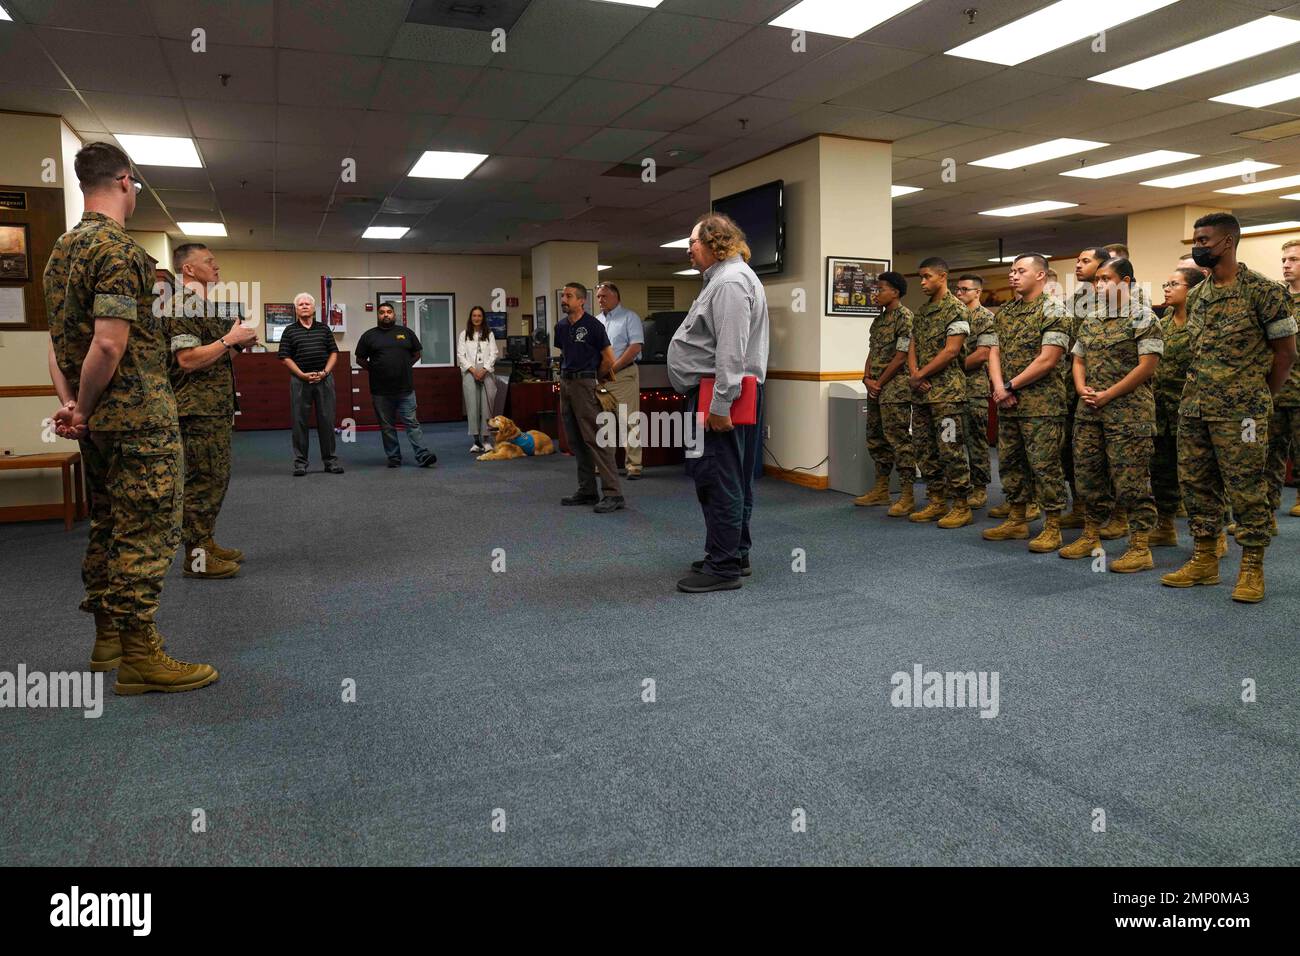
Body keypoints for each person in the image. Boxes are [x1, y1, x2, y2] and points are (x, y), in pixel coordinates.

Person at [44, 141, 217, 694]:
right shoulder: (118, 252)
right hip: (138, 420)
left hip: (95, 425)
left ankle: (108, 638)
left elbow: (56, 345)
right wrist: (87, 408)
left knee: (108, 524)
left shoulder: (59, 254)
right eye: (136, 184)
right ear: (124, 181)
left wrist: (73, 407)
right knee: (148, 530)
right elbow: (109, 345)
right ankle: (141, 656)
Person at [1161, 213, 1297, 602]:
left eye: (1203, 239)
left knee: (1247, 487)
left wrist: (1258, 397)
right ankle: (1205, 559)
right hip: (1196, 410)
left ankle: (1251, 566)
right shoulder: (1200, 294)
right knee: (1197, 485)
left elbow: (1285, 355)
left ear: (1227, 242)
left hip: (1244, 415)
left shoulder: (1264, 292)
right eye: (1195, 239)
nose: (1197, 246)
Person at [669, 212, 770, 593]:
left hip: (719, 396)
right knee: (729, 477)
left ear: (714, 242)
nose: (689, 252)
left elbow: (731, 352)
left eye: (692, 244)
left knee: (718, 479)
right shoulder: (728, 278)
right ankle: (731, 551)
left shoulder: (730, 282)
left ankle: (723, 567)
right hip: (719, 394)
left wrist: (720, 406)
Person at [1058, 258, 1162, 571]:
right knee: (1088, 476)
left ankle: (1140, 546)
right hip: (1090, 411)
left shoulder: (1144, 317)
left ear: (1126, 281)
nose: (1100, 286)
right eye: (1097, 280)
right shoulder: (1091, 319)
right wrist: (1080, 388)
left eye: (1106, 279)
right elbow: (1078, 359)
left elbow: (1147, 366)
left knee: (1131, 480)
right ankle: (1091, 534)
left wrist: (1109, 394)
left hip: (1128, 413)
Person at [167, 243, 258, 580]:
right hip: (196, 410)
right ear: (189, 269)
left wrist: (237, 344)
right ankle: (196, 557)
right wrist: (227, 340)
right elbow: (187, 361)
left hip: (214, 407)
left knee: (215, 478)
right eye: (209, 261)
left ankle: (204, 542)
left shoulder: (203, 305)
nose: (216, 266)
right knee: (203, 480)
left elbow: (216, 359)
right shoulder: (182, 305)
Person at [983, 253, 1070, 551]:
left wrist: (1009, 386)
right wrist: (998, 387)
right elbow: (993, 351)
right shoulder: (1006, 311)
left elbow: (1048, 360)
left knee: (1045, 467)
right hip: (1008, 402)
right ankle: (1017, 519)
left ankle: (1053, 526)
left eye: (1021, 271)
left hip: (1042, 405)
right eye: (1011, 271)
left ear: (1040, 276)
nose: (1013, 276)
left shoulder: (1055, 310)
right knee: (1010, 463)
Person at [906, 257, 972, 528]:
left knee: (950, 450)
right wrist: (914, 375)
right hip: (921, 394)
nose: (922, 282)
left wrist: (921, 374)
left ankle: (961, 505)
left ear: (942, 276)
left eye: (927, 277)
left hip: (946, 394)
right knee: (924, 447)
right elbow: (912, 345)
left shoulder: (956, 309)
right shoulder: (921, 312)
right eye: (920, 277)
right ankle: (936, 500)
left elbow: (951, 350)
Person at [1149, 267, 1207, 550]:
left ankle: (1212, 536)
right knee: (1162, 470)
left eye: (1174, 284)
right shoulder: (1162, 323)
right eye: (1165, 283)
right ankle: (1165, 526)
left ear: (1193, 289)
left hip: (1193, 410)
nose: (1167, 288)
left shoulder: (1203, 323)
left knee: (1199, 476)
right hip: (1162, 410)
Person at [556, 282, 623, 514]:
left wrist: (594, 379)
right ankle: (587, 490)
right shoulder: (561, 327)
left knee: (596, 439)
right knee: (575, 439)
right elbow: (565, 353)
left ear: (581, 300)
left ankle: (613, 493)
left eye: (569, 296)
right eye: (563, 296)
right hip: (566, 383)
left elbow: (609, 358)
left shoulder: (593, 325)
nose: (564, 300)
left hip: (585, 384)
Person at [1061, 247, 1114, 533]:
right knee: (1077, 452)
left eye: (1085, 261)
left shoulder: (1124, 296)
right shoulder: (1077, 299)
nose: (1078, 266)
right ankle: (1080, 506)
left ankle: (1119, 515)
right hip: (1077, 385)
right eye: (1077, 260)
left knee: (1115, 456)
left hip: (1112, 386)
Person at [855, 272, 914, 513]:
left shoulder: (905, 317)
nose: (875, 294)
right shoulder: (878, 320)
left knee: (899, 440)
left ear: (895, 292)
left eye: (880, 289)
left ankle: (908, 494)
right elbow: (873, 352)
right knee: (876, 438)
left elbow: (901, 357)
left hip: (896, 389)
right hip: (876, 388)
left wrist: (879, 381)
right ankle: (881, 490)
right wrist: (867, 377)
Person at [356, 302, 437, 467]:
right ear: (378, 315)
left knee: (412, 423)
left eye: (389, 312)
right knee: (387, 426)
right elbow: (360, 359)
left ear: (394, 314)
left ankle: (422, 455)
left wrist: (405, 366)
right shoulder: (369, 336)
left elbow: (417, 354)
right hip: (380, 391)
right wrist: (376, 370)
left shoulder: (406, 333)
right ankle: (394, 457)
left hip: (405, 389)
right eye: (382, 312)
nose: (386, 315)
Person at [279, 292, 342, 476]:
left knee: (327, 421)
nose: (304, 306)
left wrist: (325, 373)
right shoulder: (290, 330)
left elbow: (334, 353)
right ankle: (300, 463)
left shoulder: (323, 329)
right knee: (299, 422)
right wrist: (302, 375)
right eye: (301, 304)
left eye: (307, 304)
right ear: (296, 310)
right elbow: (285, 357)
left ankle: (330, 461)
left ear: (314, 308)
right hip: (300, 381)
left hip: (324, 380)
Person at [594, 282, 646, 480]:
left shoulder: (629, 317)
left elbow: (635, 348)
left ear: (616, 297)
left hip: (623, 375)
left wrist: (611, 370)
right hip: (601, 378)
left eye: (604, 296)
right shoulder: (596, 320)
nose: (600, 300)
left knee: (628, 421)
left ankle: (634, 465)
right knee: (604, 422)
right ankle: (604, 465)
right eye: (598, 296)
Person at [954, 274, 996, 509]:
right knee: (950, 438)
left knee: (975, 440)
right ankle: (959, 484)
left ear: (977, 292)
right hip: (952, 389)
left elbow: (982, 354)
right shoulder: (953, 316)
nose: (959, 294)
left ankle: (980, 488)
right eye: (957, 290)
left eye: (965, 290)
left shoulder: (986, 318)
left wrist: (950, 368)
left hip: (974, 388)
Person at [1267, 239, 1300, 520]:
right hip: (1277, 389)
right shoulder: (1276, 298)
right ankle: (1267, 508)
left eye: (1293, 260)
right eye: (1284, 260)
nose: (1287, 265)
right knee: (1270, 453)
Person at [455, 305, 498, 454]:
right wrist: (474, 371)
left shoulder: (489, 334)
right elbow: (461, 355)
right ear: (470, 317)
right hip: (470, 373)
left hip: (486, 372)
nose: (477, 318)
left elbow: (494, 354)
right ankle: (476, 441)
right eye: (474, 315)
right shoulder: (464, 334)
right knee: (472, 407)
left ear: (483, 318)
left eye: (479, 316)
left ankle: (486, 440)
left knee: (487, 406)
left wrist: (484, 370)